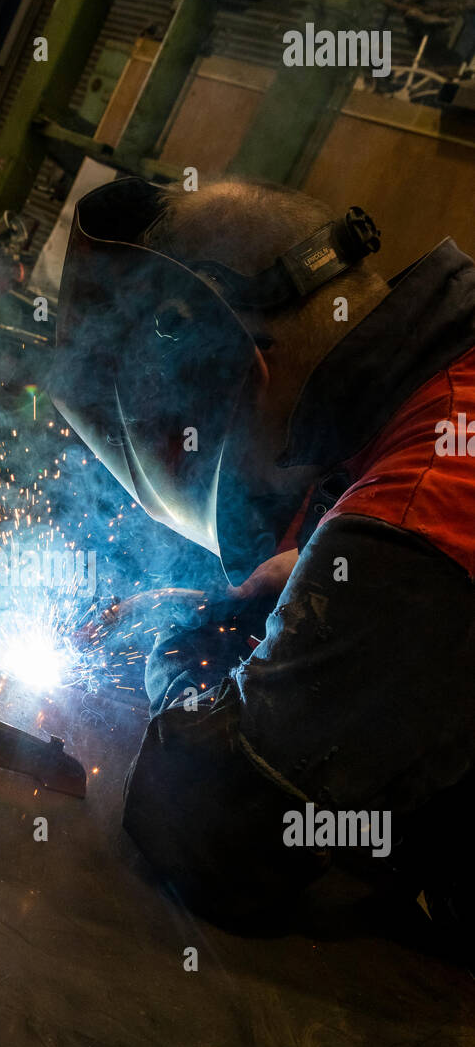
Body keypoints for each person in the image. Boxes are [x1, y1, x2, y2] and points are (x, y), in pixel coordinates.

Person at [54, 175, 475, 953]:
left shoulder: (433, 490)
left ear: (250, 367)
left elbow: (223, 836)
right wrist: (307, 579)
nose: (266, 473)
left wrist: (181, 658)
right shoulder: (439, 389)